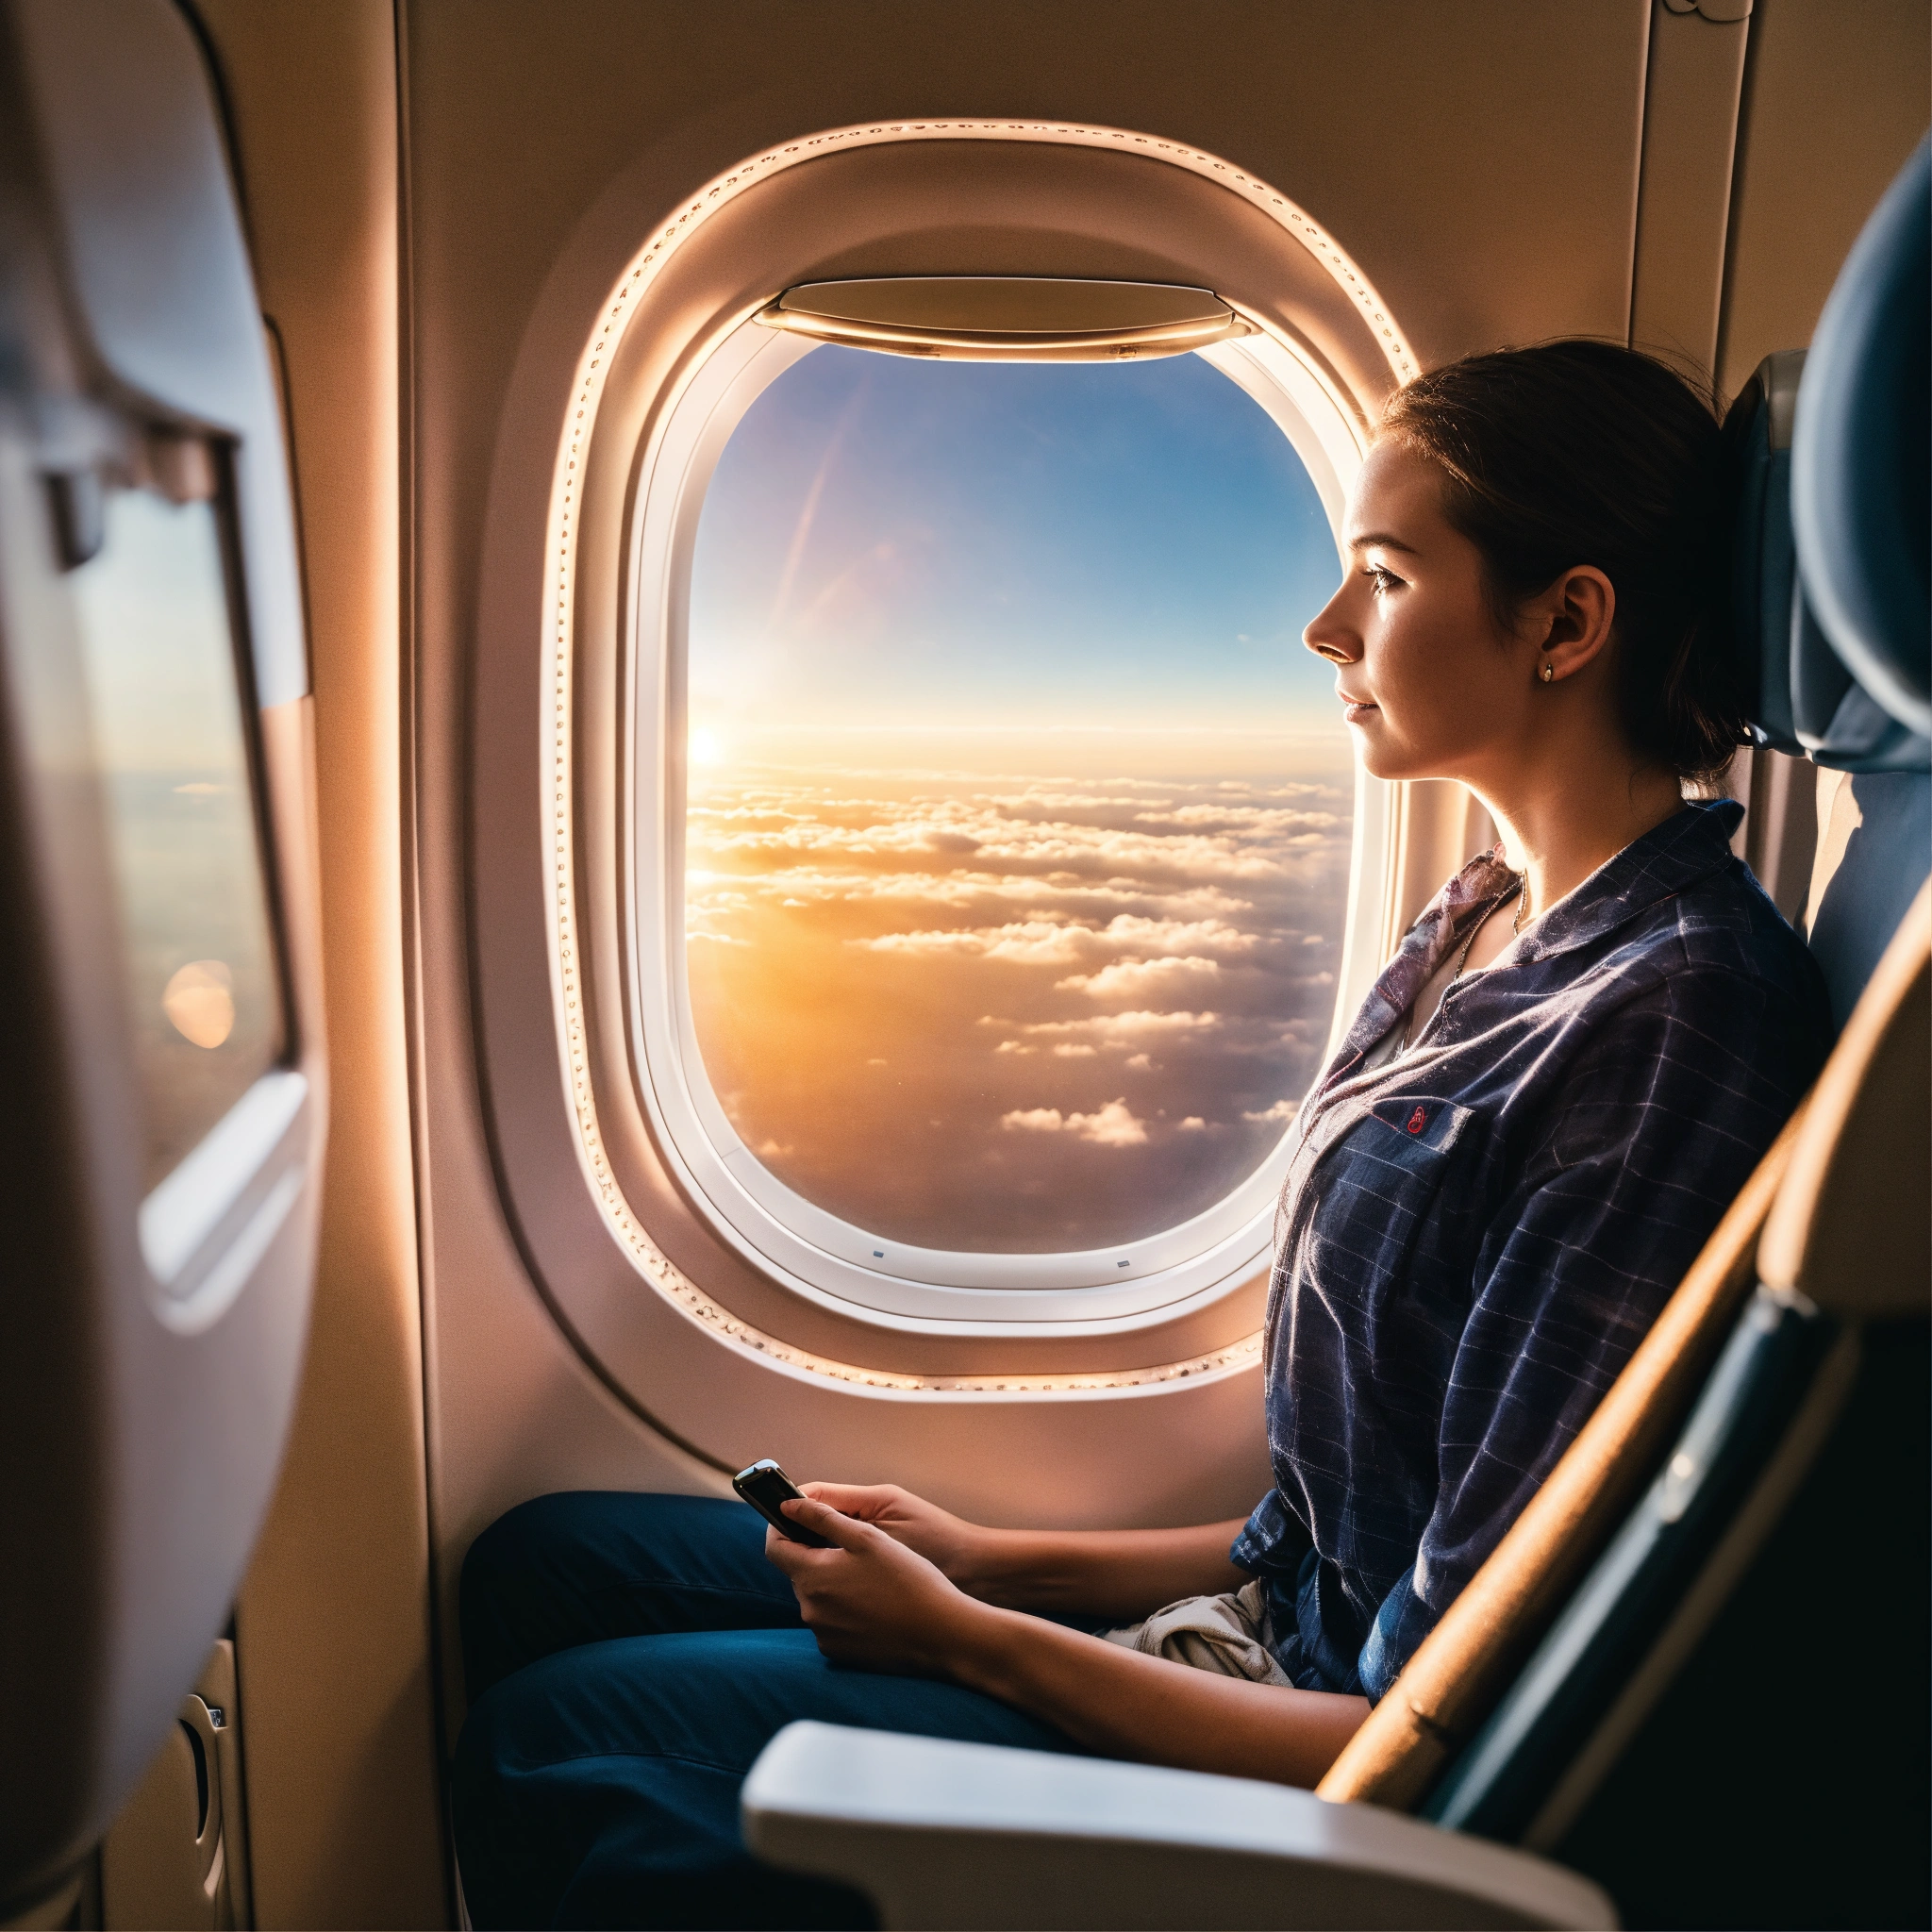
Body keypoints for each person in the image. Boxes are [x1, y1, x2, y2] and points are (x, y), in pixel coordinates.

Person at [451, 341, 1832, 1928]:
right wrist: (992, 1555)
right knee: (540, 1568)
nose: (1326, 628)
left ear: (1567, 622)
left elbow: (1434, 1724)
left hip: (1300, 1751)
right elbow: (1306, 1536)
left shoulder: (1668, 1031)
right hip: (1251, 1633)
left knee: (546, 1745)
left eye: (1383, 579)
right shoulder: (1483, 922)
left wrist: (969, 1636)